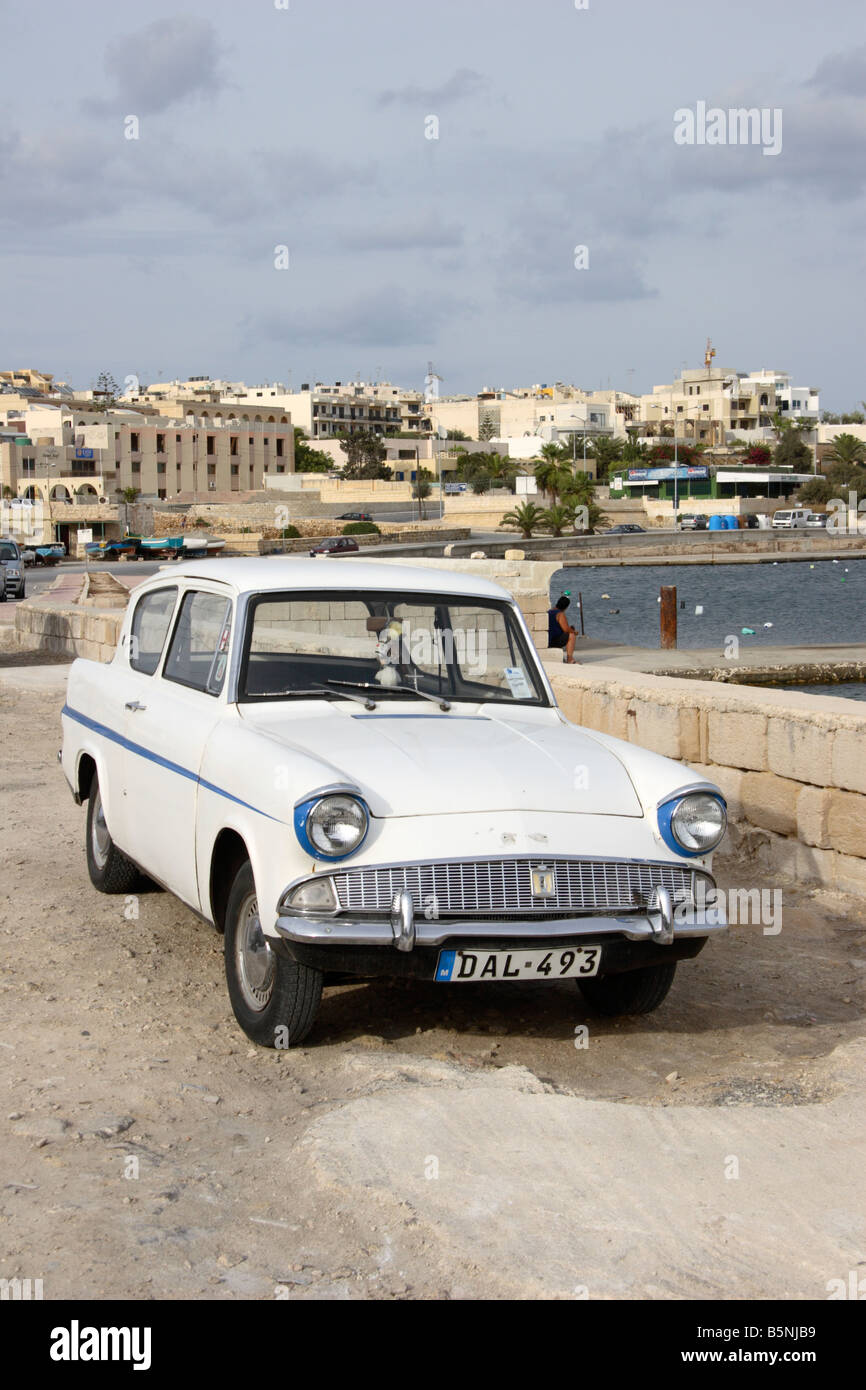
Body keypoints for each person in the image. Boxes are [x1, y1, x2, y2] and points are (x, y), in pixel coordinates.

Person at [548, 594, 577, 663]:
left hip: (549, 639)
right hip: (554, 641)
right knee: (571, 635)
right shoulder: (560, 614)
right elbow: (566, 629)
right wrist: (574, 632)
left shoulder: (549, 611)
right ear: (566, 607)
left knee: (569, 631)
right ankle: (570, 658)